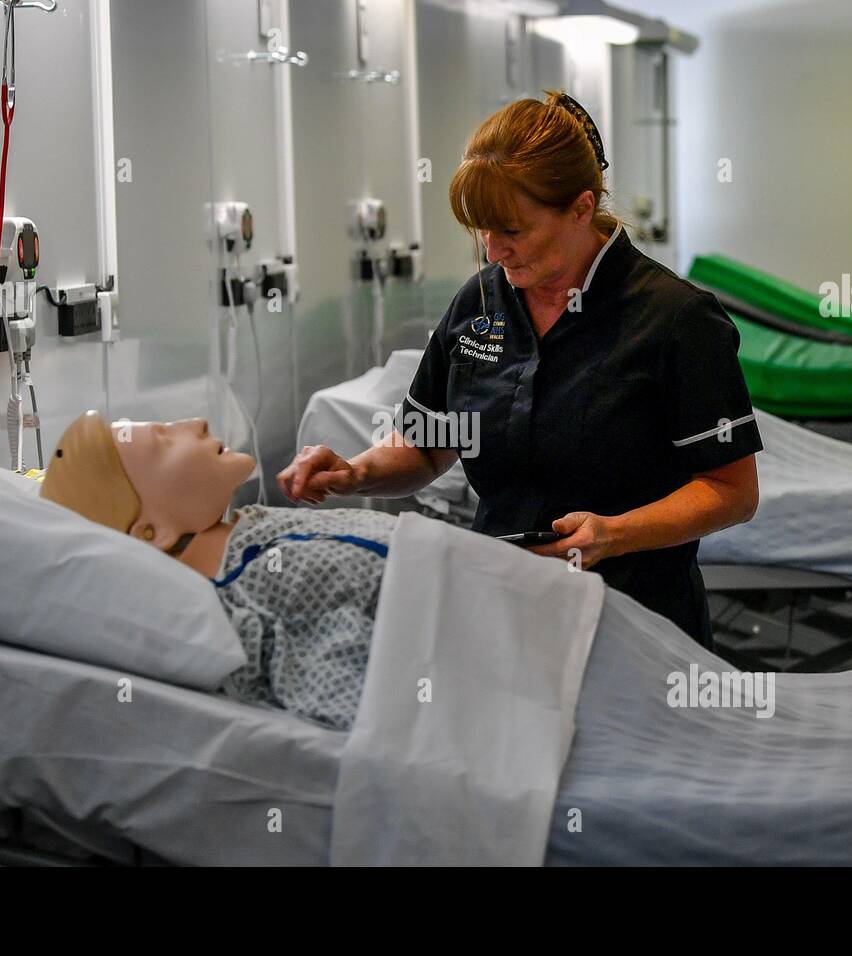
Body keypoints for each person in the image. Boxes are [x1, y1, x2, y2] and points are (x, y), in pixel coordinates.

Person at [276, 90, 762, 650]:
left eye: (512, 230)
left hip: (635, 620)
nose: (493, 250)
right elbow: (430, 445)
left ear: (581, 208)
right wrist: (356, 471)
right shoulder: (479, 305)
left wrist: (614, 534)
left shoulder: (676, 319)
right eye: (481, 230)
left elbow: (731, 490)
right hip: (500, 609)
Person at [40, 410, 395, 730]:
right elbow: (366, 699)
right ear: (153, 532)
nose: (197, 422)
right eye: (164, 439)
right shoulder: (255, 595)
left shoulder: (254, 534)